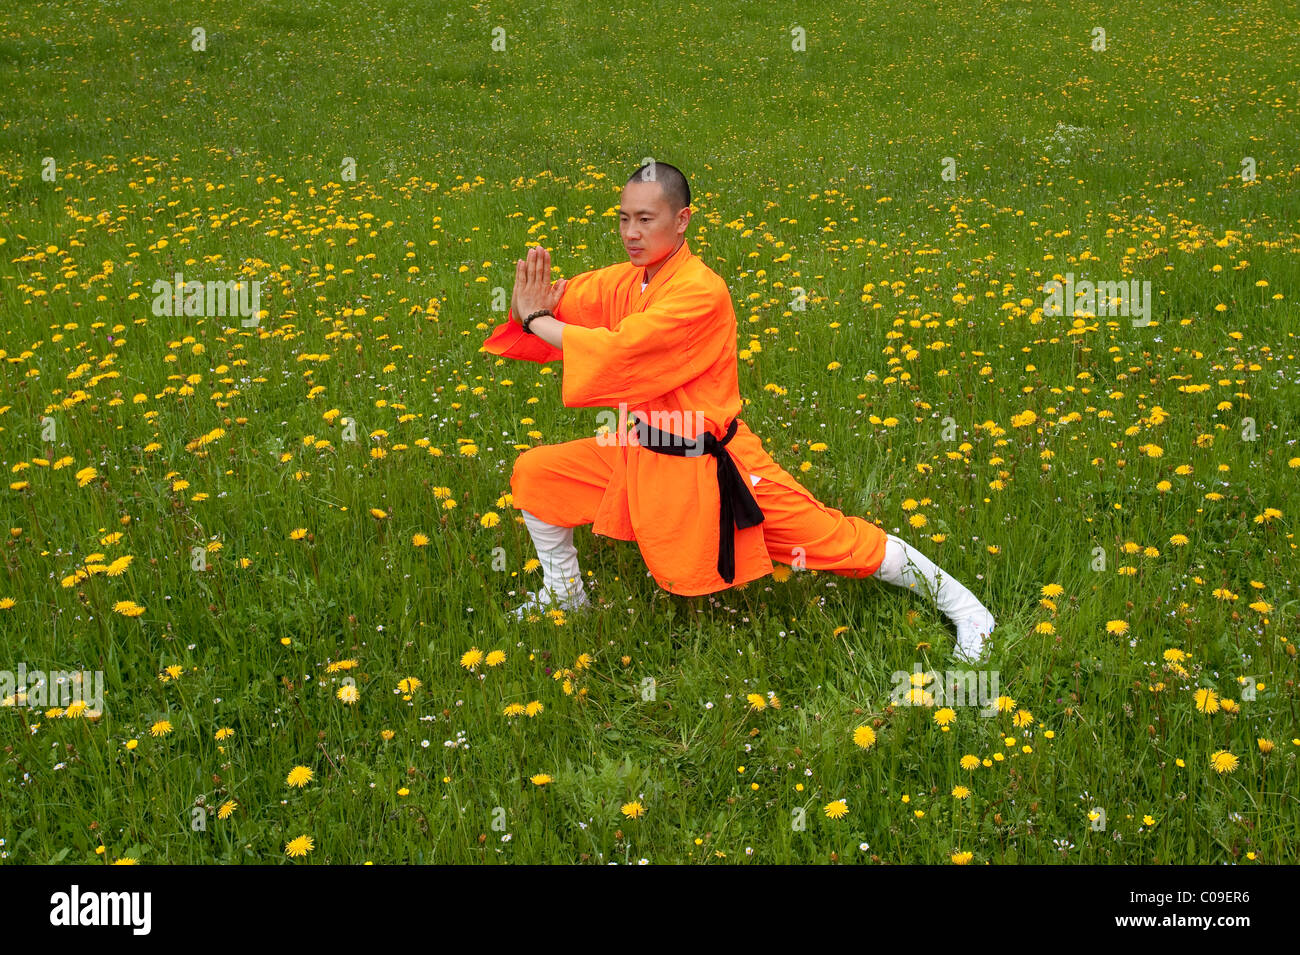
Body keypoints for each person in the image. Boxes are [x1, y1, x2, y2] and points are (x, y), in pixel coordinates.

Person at [481, 161, 996, 662]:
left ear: (682, 220)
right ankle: (565, 592)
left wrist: (537, 319)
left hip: (713, 468)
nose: (631, 233)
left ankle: (968, 611)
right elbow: (563, 305)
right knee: (539, 473)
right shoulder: (627, 281)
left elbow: (617, 351)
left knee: (834, 541)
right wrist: (532, 307)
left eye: (645, 219)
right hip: (640, 455)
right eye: (623, 218)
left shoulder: (698, 292)